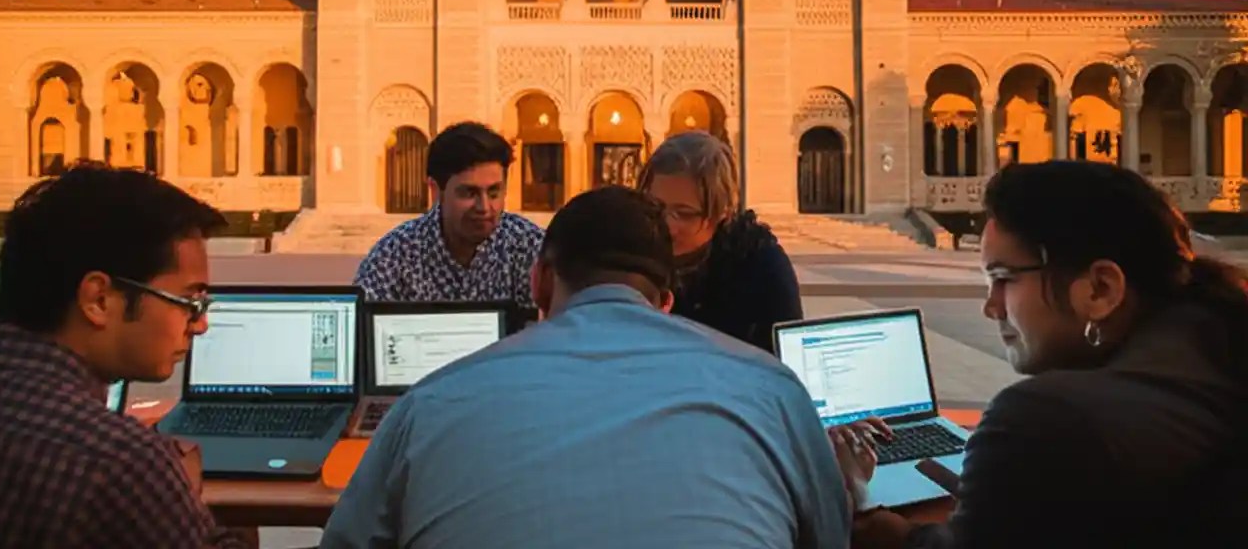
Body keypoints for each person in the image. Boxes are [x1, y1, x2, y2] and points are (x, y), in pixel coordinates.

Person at [320, 186, 851, 549]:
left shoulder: (430, 402)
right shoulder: (773, 391)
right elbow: (830, 536)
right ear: (666, 300)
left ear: (540, 283)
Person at [836, 161, 1247, 549]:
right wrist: (1005, 498)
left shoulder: (1044, 418)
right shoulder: (1218, 345)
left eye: (1003, 279)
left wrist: (869, 510)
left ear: (1101, 289)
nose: (992, 307)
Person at [0, 162, 250, 548]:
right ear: (98, 300)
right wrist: (169, 492)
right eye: (189, 302)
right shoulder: (119, 462)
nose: (199, 325)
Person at [355, 121, 545, 324]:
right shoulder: (394, 257)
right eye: (469, 193)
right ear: (435, 190)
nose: (484, 207)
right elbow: (361, 334)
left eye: (494, 192)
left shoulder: (529, 247)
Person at [638, 130, 802, 352]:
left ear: (722, 212)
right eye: (656, 207)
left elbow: (783, 366)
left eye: (685, 214)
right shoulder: (630, 254)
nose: (666, 224)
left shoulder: (761, 266)